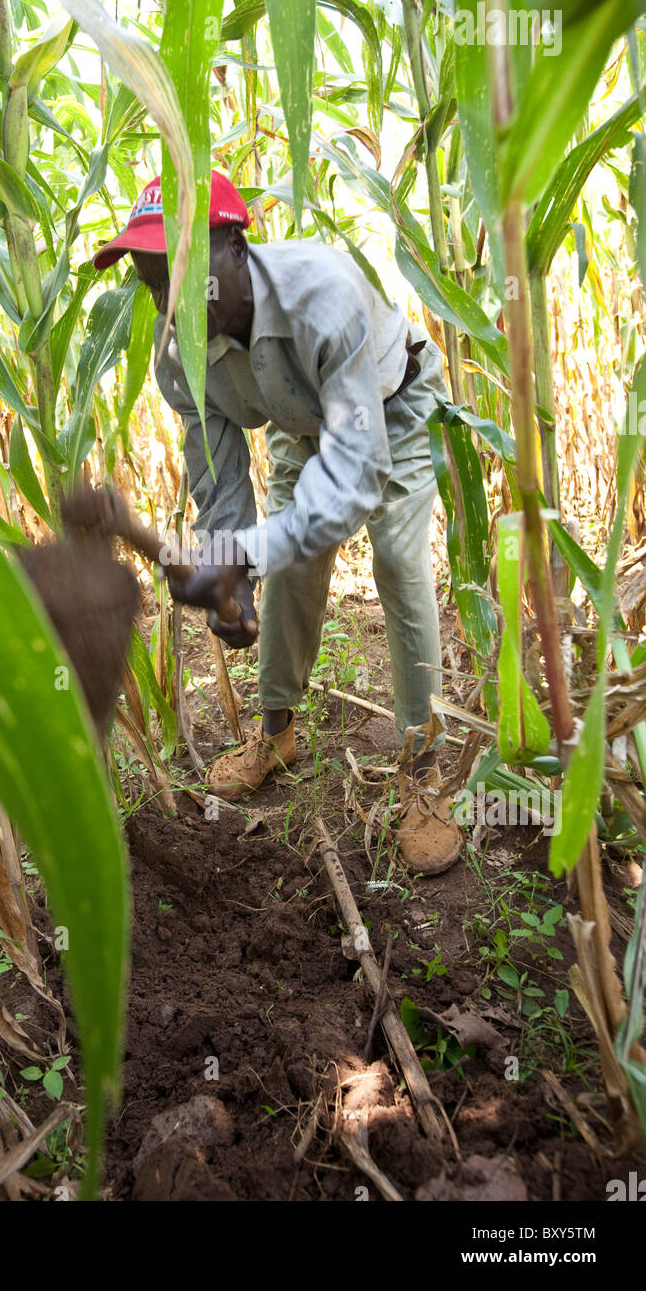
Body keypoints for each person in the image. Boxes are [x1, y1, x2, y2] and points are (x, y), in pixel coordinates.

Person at [93, 170, 458, 874]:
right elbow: (221, 482)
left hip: (392, 405)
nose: (170, 302)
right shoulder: (178, 352)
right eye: (152, 284)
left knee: (399, 563)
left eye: (182, 274)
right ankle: (277, 733)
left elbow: (354, 473)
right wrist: (238, 581)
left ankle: (423, 771)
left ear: (235, 248)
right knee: (291, 562)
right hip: (302, 422)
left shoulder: (323, 293)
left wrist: (241, 553)